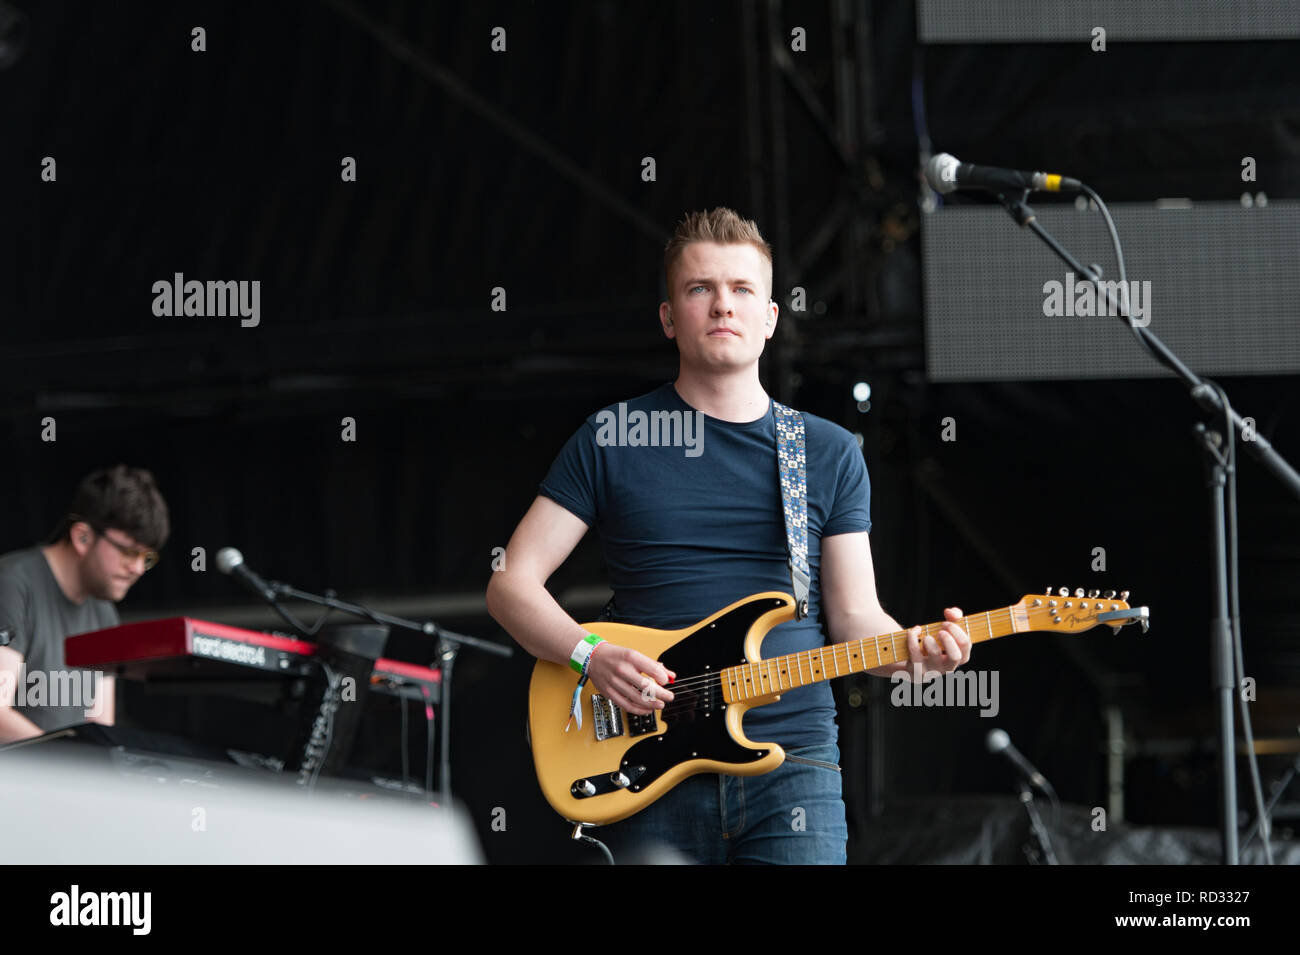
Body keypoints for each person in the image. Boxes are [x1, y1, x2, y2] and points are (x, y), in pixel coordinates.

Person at [486, 208, 972, 864]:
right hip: (644, 760)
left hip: (791, 763)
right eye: (699, 289)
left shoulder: (826, 452)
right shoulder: (613, 437)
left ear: (771, 318)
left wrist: (915, 655)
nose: (723, 305)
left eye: (743, 289)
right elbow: (511, 584)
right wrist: (589, 655)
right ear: (668, 317)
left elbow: (856, 618)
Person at [0, 465, 169, 743]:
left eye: (147, 558)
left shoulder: (104, 614)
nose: (138, 568)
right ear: (82, 537)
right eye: (129, 553)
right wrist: (72, 766)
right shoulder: (12, 584)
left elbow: (101, 726)